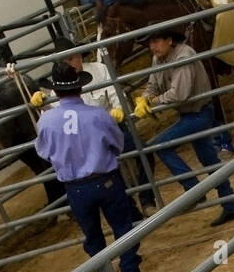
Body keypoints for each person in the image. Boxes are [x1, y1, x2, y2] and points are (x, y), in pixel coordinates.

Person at [35, 62, 153, 272]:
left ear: (55, 92)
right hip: (106, 180)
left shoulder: (46, 121)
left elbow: (43, 153)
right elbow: (117, 145)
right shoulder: (98, 116)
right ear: (80, 88)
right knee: (123, 229)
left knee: (93, 236)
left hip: (74, 187)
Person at [134, 27, 234, 227]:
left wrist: (153, 102)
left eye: (156, 41)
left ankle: (193, 190)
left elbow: (179, 94)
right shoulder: (159, 58)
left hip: (199, 112)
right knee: (209, 160)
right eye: (150, 43)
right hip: (192, 112)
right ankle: (231, 206)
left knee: (161, 145)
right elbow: (153, 84)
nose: (152, 47)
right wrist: (145, 98)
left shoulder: (184, 55)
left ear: (169, 40)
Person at [30, 43, 158, 212]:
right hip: (88, 139)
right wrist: (44, 104)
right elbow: (58, 114)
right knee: (109, 172)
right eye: (64, 60)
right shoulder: (58, 87)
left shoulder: (100, 69)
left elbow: (114, 93)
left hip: (110, 127)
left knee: (144, 152)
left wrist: (119, 108)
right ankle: (130, 208)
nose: (69, 63)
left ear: (80, 56)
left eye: (71, 58)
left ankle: (147, 199)